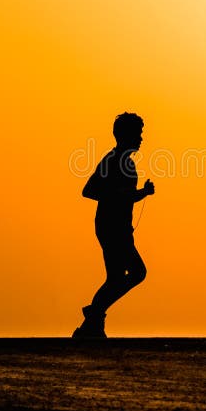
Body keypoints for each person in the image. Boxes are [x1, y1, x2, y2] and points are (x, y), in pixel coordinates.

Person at [74, 112, 155, 338]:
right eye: (137, 134)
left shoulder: (126, 162)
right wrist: (130, 193)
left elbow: (125, 196)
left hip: (120, 228)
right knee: (138, 272)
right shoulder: (112, 160)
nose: (141, 139)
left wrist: (142, 193)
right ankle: (94, 314)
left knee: (116, 278)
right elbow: (89, 190)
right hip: (111, 228)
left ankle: (92, 325)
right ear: (125, 135)